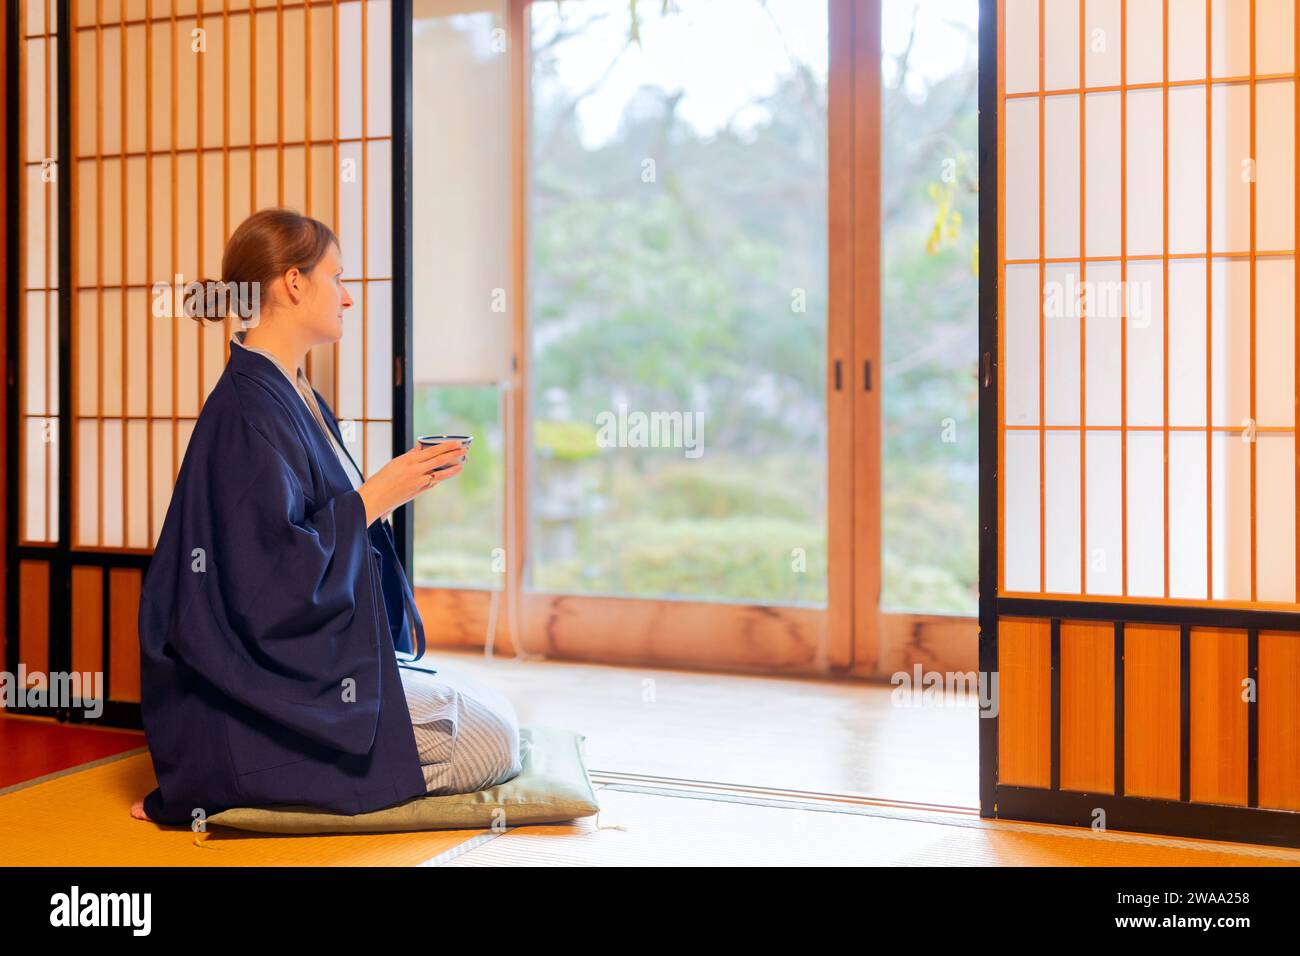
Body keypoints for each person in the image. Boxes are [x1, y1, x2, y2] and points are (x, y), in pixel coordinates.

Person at [133, 208, 521, 825]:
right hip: (249, 696)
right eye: (337, 278)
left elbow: (306, 538)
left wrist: (384, 492)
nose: (347, 298)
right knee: (490, 740)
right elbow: (267, 584)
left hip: (300, 667)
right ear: (293, 282)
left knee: (489, 704)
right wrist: (378, 495)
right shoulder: (245, 410)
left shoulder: (293, 392)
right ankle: (233, 773)